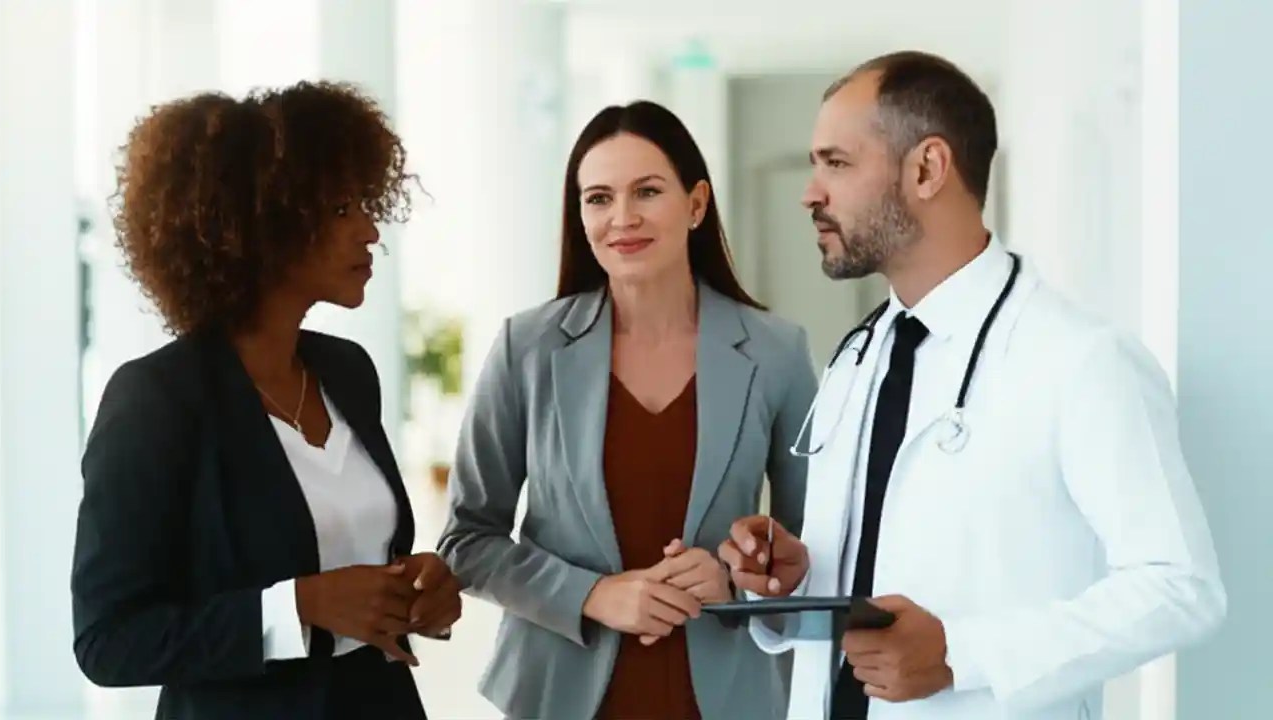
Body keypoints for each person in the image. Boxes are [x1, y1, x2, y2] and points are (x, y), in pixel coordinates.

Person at [719, 51, 1226, 720]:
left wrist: (964, 654)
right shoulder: (858, 358)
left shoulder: (1080, 360)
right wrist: (794, 580)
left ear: (927, 168)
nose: (810, 193)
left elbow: (1180, 588)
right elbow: (874, 573)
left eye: (836, 163)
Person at [70, 81, 461, 720]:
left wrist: (417, 592)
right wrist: (298, 607)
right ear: (260, 225)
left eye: (366, 203)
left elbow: (356, 562)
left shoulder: (347, 372)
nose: (369, 231)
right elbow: (107, 639)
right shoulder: (156, 400)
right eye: (341, 210)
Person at [436, 100, 817, 719]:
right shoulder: (525, 348)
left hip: (727, 695)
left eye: (647, 191)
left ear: (696, 204)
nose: (623, 218)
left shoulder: (778, 352)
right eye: (599, 198)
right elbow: (467, 540)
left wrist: (736, 581)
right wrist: (591, 594)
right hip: (560, 694)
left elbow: (817, 547)